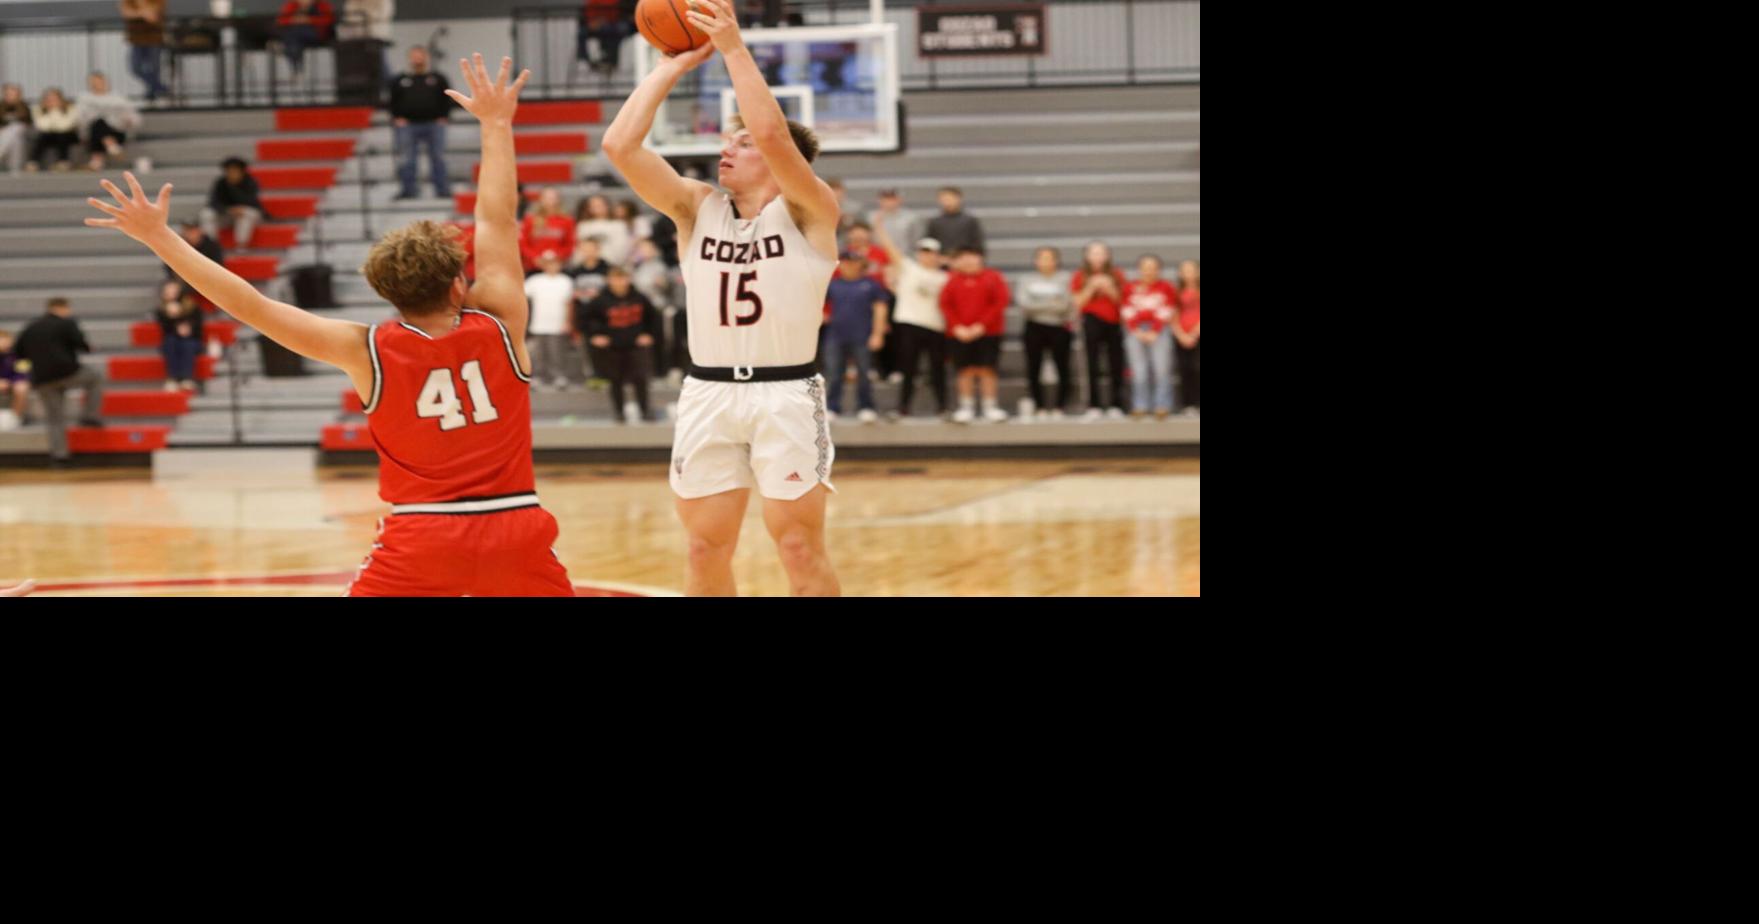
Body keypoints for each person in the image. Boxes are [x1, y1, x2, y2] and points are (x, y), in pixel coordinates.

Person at [85, 53, 575, 596]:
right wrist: (496, 124)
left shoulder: (365, 348)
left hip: (421, 534)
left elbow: (251, 306)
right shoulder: (501, 321)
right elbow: (496, 218)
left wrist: (161, 238)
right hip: (516, 526)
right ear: (460, 283)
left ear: (388, 296)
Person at [602, 0, 842, 597]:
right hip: (707, 390)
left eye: (743, 143)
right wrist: (673, 66)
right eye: (726, 141)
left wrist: (733, 48)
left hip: (785, 393)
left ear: (784, 161)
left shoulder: (810, 211)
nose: (726, 149)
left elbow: (769, 130)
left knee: (797, 546)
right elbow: (620, 146)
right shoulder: (696, 208)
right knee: (704, 547)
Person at [12, 298, 105, 467]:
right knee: (95, 377)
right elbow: (81, 345)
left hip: (42, 380)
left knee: (54, 418)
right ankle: (90, 416)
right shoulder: (66, 323)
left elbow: (18, 353)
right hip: (67, 372)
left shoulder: (30, 327)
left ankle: (60, 455)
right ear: (62, 308)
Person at [871, 221, 948, 421]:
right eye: (923, 251)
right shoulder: (908, 268)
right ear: (918, 253)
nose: (927, 255)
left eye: (931, 252)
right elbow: (890, 249)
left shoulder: (945, 277)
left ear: (938, 255)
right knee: (908, 369)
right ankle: (903, 407)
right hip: (910, 325)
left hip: (936, 326)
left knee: (937, 369)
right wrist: (880, 229)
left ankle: (943, 407)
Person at [576, 265, 661, 423]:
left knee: (641, 379)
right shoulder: (600, 300)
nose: (620, 282)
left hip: (636, 346)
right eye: (616, 278)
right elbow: (583, 319)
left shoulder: (640, 298)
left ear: (629, 279)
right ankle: (619, 413)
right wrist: (594, 336)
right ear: (609, 280)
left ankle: (645, 411)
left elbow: (654, 318)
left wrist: (649, 335)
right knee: (615, 380)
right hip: (612, 348)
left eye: (623, 278)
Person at [940, 247, 1009, 424]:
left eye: (972, 256)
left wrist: (981, 326)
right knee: (965, 370)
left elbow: (1000, 302)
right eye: (963, 257)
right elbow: (945, 305)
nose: (968, 261)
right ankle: (966, 407)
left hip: (989, 333)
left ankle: (990, 406)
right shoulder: (952, 280)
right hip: (959, 334)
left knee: (987, 369)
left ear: (980, 258)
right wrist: (957, 327)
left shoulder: (993, 277)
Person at [821, 250, 888, 422]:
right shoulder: (833, 284)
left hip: (862, 336)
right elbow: (818, 304)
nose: (849, 265)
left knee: (864, 373)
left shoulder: (871, 284)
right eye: (845, 261)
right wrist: (822, 317)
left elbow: (880, 309)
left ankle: (866, 406)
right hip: (835, 336)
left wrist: (877, 334)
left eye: (853, 261)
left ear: (860, 263)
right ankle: (832, 406)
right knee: (834, 373)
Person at [388, 44, 454, 201]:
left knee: (438, 157)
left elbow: (447, 98)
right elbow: (392, 101)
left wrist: (444, 116)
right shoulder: (400, 80)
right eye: (414, 55)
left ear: (426, 57)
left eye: (420, 55)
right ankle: (408, 190)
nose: (418, 58)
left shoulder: (438, 78)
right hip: (408, 125)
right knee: (407, 158)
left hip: (434, 124)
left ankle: (442, 189)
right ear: (409, 58)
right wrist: (397, 118)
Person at [1016, 246, 1076, 418]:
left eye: (1050, 258)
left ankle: (1060, 406)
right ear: (1036, 261)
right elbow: (1025, 305)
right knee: (1033, 367)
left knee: (1063, 366)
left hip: (1059, 327)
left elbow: (1066, 304)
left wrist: (1040, 305)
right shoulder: (1027, 279)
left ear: (1056, 260)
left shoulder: (1065, 278)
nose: (1046, 261)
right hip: (1034, 327)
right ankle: (1040, 406)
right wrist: (1052, 303)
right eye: (1042, 258)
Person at [1072, 240, 1128, 420]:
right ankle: (1093, 405)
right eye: (1093, 253)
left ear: (1107, 255)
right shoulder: (1080, 276)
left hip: (1114, 322)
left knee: (1116, 364)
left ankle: (1116, 404)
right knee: (1091, 363)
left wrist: (1109, 287)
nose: (1097, 256)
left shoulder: (1117, 274)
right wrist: (1091, 287)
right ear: (1086, 256)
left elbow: (1124, 301)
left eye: (1101, 253)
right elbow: (1076, 303)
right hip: (1091, 321)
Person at [1119, 254, 1177, 420]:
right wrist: (1135, 330)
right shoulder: (1130, 287)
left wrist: (1155, 330)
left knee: (1162, 369)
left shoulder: (1166, 287)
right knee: (1138, 370)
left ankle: (1162, 405)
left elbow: (1168, 308)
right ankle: (1140, 405)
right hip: (1135, 331)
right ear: (1139, 269)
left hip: (1159, 330)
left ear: (1159, 270)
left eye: (1153, 267)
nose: (1149, 271)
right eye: (1145, 267)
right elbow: (1126, 309)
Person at [522, 249, 576, 390]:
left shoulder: (566, 281)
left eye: (555, 263)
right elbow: (523, 299)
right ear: (543, 265)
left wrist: (568, 322)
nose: (552, 266)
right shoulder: (535, 281)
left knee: (557, 351)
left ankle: (559, 376)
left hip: (558, 323)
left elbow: (569, 303)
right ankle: (538, 376)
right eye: (549, 263)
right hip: (539, 323)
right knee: (539, 352)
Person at [76, 72, 140, 172]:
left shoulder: (119, 99)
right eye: (94, 82)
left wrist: (128, 121)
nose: (97, 84)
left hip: (116, 132)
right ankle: (111, 146)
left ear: (106, 82)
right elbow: (80, 119)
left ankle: (97, 160)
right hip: (92, 132)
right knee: (98, 123)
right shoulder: (84, 99)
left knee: (100, 125)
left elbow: (133, 117)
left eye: (100, 82)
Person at [201, 157, 268, 250]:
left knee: (246, 214)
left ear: (242, 171)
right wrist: (227, 210)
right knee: (207, 214)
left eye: (235, 170)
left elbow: (252, 201)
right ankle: (211, 245)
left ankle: (241, 246)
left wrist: (234, 189)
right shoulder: (220, 183)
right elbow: (213, 202)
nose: (232, 173)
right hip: (226, 215)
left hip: (247, 214)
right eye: (229, 171)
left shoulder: (250, 182)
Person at [155, 280, 205, 393]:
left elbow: (198, 327)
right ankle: (173, 378)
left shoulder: (191, 306)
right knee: (170, 341)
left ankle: (186, 378)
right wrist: (172, 317)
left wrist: (186, 326)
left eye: (173, 290)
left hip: (192, 339)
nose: (171, 293)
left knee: (188, 344)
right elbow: (165, 330)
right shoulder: (162, 310)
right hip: (172, 340)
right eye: (168, 290)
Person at [120, 0, 170, 103]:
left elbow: (153, 16)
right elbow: (126, 13)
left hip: (154, 38)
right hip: (136, 39)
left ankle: (151, 93)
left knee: (154, 68)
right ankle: (160, 87)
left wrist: (137, 12)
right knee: (135, 68)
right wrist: (143, 13)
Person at [519, 187, 575, 274]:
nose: (550, 201)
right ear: (541, 200)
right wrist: (535, 258)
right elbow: (523, 243)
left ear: (558, 200)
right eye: (547, 198)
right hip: (534, 266)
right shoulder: (530, 219)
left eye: (553, 198)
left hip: (557, 267)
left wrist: (558, 257)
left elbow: (570, 243)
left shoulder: (567, 220)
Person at [276, 0, 336, 76]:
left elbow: (329, 20)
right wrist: (294, 20)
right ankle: (298, 70)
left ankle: (295, 67)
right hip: (297, 37)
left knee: (292, 36)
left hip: (316, 34)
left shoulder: (322, 5)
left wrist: (309, 20)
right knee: (294, 41)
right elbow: (281, 20)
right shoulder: (292, 4)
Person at [27, 88, 78, 173]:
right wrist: (50, 112)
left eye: (54, 99)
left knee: (62, 135)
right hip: (48, 135)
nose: (52, 102)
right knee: (43, 136)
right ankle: (33, 162)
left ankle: (63, 162)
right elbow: (41, 126)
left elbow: (66, 126)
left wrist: (56, 111)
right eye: (49, 100)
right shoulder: (38, 109)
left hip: (68, 135)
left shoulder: (70, 108)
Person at [925, 186, 984, 259]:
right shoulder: (934, 222)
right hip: (941, 263)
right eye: (944, 199)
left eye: (950, 198)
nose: (947, 202)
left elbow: (977, 245)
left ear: (959, 198)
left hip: (965, 262)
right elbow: (929, 244)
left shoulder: (970, 221)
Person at [1173, 258, 1200, 415]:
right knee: (1185, 369)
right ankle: (1188, 404)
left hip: (1197, 334)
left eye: (1191, 270)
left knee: (1198, 368)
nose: (1188, 273)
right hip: (1181, 336)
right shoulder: (1176, 292)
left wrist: (1195, 332)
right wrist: (1181, 334)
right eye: (1185, 270)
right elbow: (1173, 315)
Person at [574, 194, 630, 266]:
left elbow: (622, 248)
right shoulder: (583, 226)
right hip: (588, 265)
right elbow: (580, 247)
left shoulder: (619, 225)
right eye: (593, 205)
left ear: (607, 206)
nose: (597, 208)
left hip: (612, 264)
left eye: (600, 205)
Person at [166, 217, 225, 284]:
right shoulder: (178, 245)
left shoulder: (212, 246)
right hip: (184, 279)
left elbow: (218, 267)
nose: (190, 233)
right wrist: (173, 282)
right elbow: (169, 266)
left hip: (206, 279)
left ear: (200, 230)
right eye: (187, 230)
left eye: (193, 230)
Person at [868, 187, 920, 255]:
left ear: (900, 199)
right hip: (879, 258)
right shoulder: (870, 218)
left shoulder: (911, 218)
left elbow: (916, 240)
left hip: (904, 257)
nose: (889, 202)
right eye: (886, 198)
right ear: (879, 200)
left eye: (892, 198)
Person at [0, 329, 31, 430]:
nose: (3, 342)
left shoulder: (20, 354)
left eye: (5, 339)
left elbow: (23, 372)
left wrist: (11, 382)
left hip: (13, 382)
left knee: (22, 387)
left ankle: (15, 418)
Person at [0, 83, 31, 176]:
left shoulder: (24, 106)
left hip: (23, 132)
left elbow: (26, 121)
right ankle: (15, 167)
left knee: (16, 128)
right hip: (5, 135)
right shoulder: (1, 106)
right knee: (15, 139)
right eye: (8, 94)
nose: (10, 97)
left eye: (13, 94)